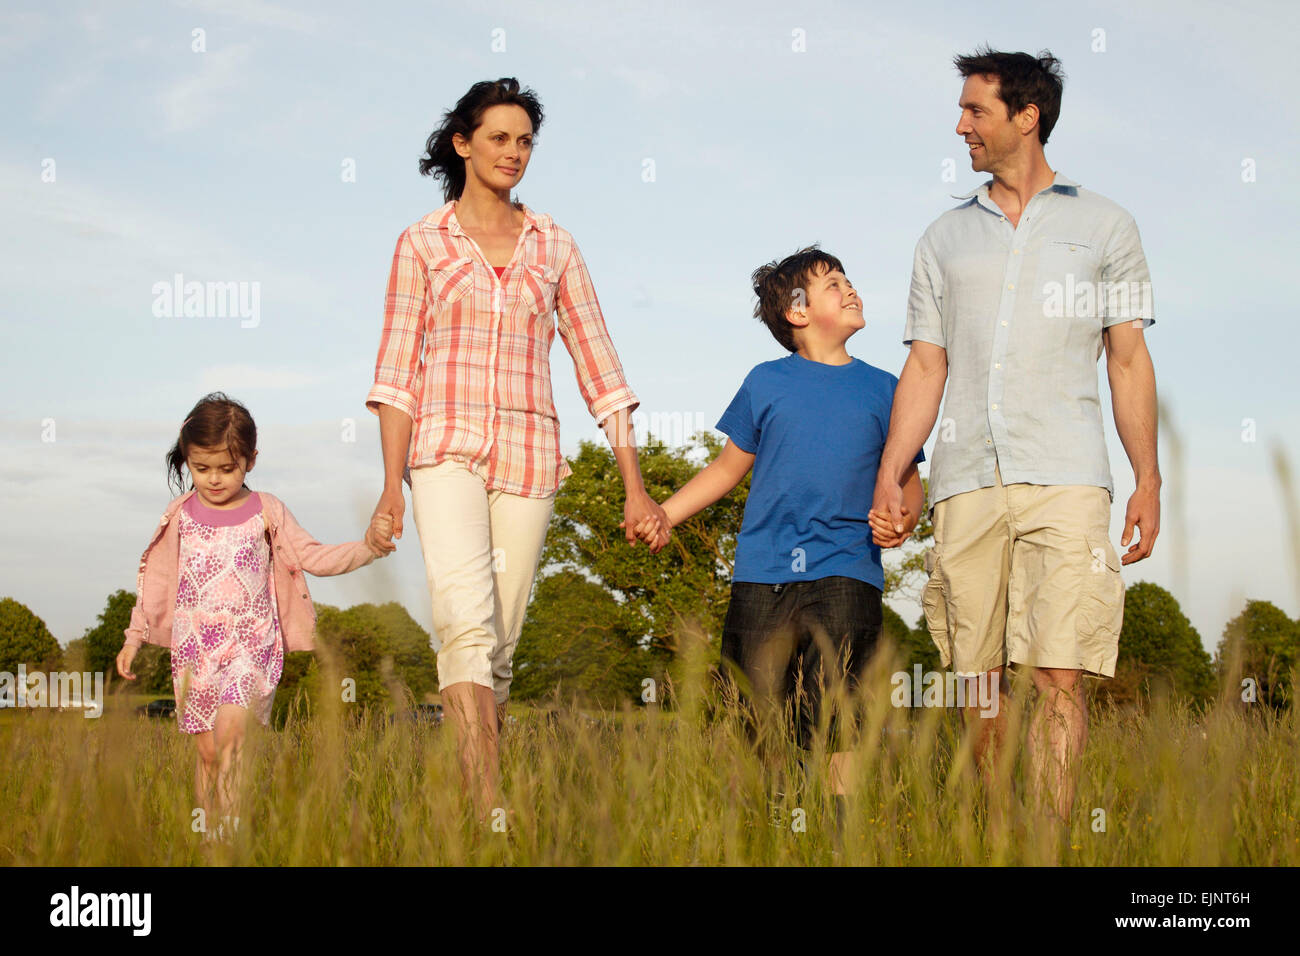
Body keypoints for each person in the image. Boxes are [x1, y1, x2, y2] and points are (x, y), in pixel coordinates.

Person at [872, 48, 1161, 824]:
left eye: (975, 110)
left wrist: (1149, 478)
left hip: (1068, 473)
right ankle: (995, 831)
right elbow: (925, 367)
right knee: (975, 676)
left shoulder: (1107, 225)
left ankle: (1052, 837)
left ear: (1025, 118)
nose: (960, 124)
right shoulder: (942, 239)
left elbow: (1127, 359)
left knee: (1058, 672)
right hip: (965, 479)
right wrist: (894, 469)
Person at [364, 77, 666, 815]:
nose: (514, 152)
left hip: (531, 457)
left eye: (525, 140)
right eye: (499, 137)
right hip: (445, 451)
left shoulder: (554, 244)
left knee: (498, 644)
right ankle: (487, 800)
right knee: (463, 621)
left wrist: (634, 484)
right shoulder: (422, 244)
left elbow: (601, 367)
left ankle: (472, 796)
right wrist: (388, 484)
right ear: (463, 143)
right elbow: (397, 373)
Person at [633, 246, 924, 837]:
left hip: (848, 570)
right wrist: (665, 512)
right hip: (762, 575)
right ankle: (765, 832)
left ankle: (840, 838)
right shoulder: (766, 382)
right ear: (795, 312)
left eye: (849, 281)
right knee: (758, 713)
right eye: (832, 284)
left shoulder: (886, 389)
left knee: (838, 707)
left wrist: (905, 520)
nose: (850, 290)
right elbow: (724, 470)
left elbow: (908, 481)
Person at [116, 392, 389, 842]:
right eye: (201, 469)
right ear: (186, 460)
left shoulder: (268, 511)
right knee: (207, 753)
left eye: (227, 468)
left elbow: (312, 557)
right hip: (194, 651)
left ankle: (232, 836)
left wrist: (367, 548)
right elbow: (157, 581)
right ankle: (209, 842)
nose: (214, 479)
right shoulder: (179, 514)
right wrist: (134, 636)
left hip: (252, 645)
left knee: (230, 736)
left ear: (251, 460)